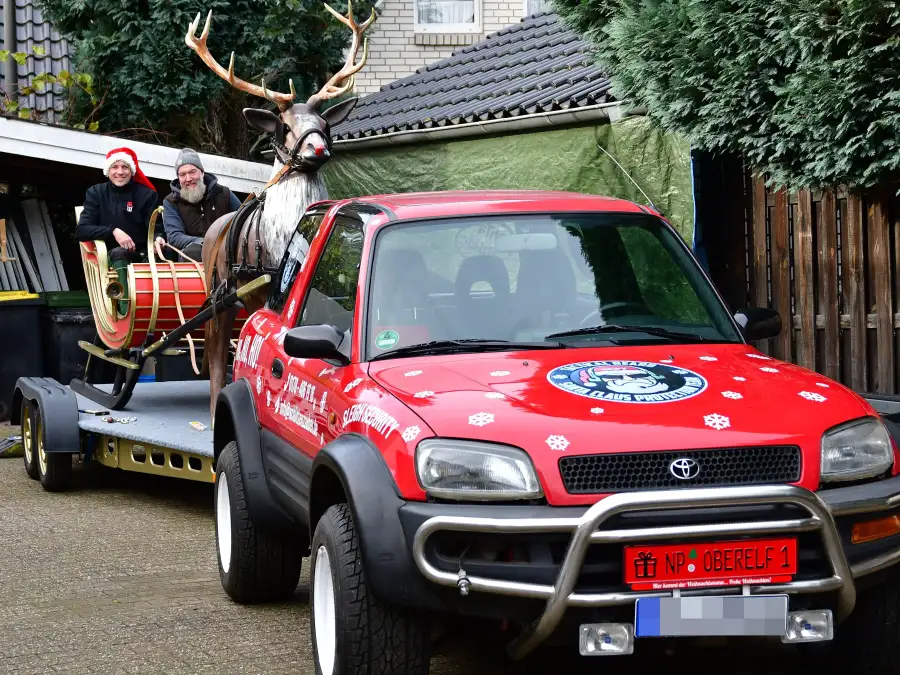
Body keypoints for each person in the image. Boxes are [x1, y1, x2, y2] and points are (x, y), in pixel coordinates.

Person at [76, 147, 160, 314]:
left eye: (125, 167)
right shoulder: (96, 193)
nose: (120, 172)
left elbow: (157, 228)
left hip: (142, 255)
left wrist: (159, 238)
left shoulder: (147, 195)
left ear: (132, 171)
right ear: (108, 171)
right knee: (119, 253)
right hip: (107, 260)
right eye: (115, 167)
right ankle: (125, 311)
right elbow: (82, 230)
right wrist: (113, 231)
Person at [161, 148, 241, 262]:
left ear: (202, 172)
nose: (188, 179)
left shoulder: (223, 194)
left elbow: (243, 219)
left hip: (227, 257)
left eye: (192, 172)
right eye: (182, 174)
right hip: (192, 263)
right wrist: (207, 243)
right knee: (193, 251)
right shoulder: (170, 202)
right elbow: (175, 237)